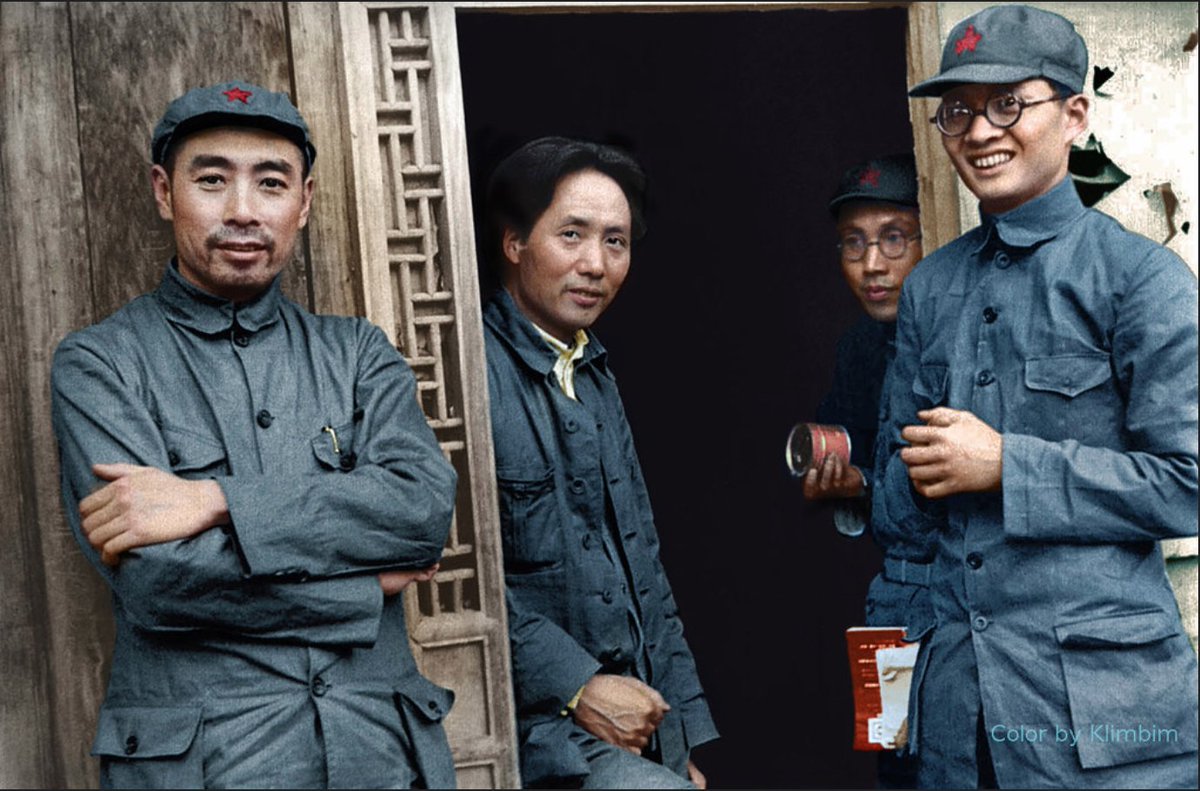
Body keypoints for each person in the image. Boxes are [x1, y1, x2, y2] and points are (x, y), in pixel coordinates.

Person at [50, 81, 460, 789]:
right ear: (163, 190)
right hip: (210, 766)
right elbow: (160, 582)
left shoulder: (358, 351)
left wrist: (214, 499)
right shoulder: (101, 362)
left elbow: (420, 511)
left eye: (270, 183)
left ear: (302, 201)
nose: (242, 211)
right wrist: (365, 592)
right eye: (212, 179)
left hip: (382, 755)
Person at [875, 6, 1198, 787]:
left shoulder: (1142, 281)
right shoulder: (930, 289)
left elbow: (1189, 484)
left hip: (1105, 727)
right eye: (958, 111)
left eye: (1008, 103)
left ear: (1074, 114)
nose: (981, 131)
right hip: (957, 718)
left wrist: (1006, 465)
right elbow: (896, 503)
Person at [480, 137, 717, 789]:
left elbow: (645, 567)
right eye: (572, 234)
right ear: (514, 242)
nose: (594, 263)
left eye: (615, 241)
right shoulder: (467, 375)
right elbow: (454, 580)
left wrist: (681, 741)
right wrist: (575, 684)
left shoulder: (593, 370)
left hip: (626, 724)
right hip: (526, 725)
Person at [804, 153, 933, 787]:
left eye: (892, 239)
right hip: (887, 603)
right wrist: (832, 482)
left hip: (957, 607)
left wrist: (868, 486)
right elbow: (840, 445)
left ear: (928, 233)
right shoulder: (857, 346)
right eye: (853, 244)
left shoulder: (958, 339)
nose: (872, 265)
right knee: (893, 761)